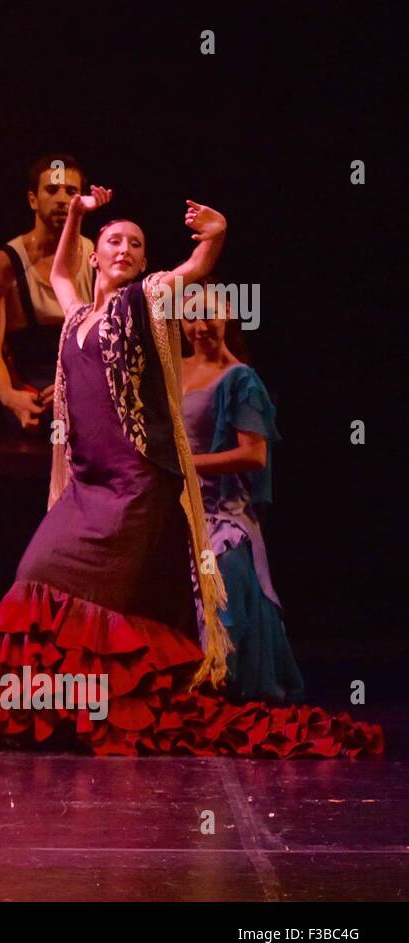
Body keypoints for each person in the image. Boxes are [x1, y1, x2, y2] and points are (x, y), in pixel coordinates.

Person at [0, 186, 382, 758]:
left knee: (104, 601)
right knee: (36, 570)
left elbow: (194, 268)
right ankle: (57, 712)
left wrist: (216, 235)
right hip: (87, 484)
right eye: (114, 241)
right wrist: (78, 215)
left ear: (142, 262)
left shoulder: (145, 300)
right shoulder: (77, 312)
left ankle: (109, 711)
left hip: (136, 486)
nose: (124, 250)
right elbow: (59, 271)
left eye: (135, 244)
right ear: (94, 255)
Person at [180, 289, 304, 702]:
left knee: (222, 584)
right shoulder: (171, 369)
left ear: (228, 312)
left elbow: (254, 455)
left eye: (208, 315)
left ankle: (220, 688)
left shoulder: (241, 379)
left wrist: (188, 464)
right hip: (170, 504)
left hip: (219, 511)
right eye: (190, 317)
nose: (200, 326)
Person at [0, 155, 94, 436]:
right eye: (52, 190)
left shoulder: (97, 257)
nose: (62, 199)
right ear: (33, 200)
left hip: (86, 390)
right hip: (30, 393)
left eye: (71, 191)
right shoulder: (3, 265)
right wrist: (9, 395)